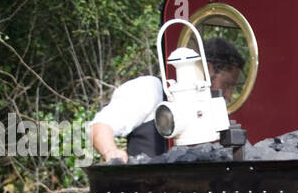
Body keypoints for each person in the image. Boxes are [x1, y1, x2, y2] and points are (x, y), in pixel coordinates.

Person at [89, 37, 245, 163]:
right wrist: (111, 152)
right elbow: (101, 126)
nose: (229, 95)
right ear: (208, 68)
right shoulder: (150, 89)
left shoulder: (212, 110)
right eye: (226, 85)